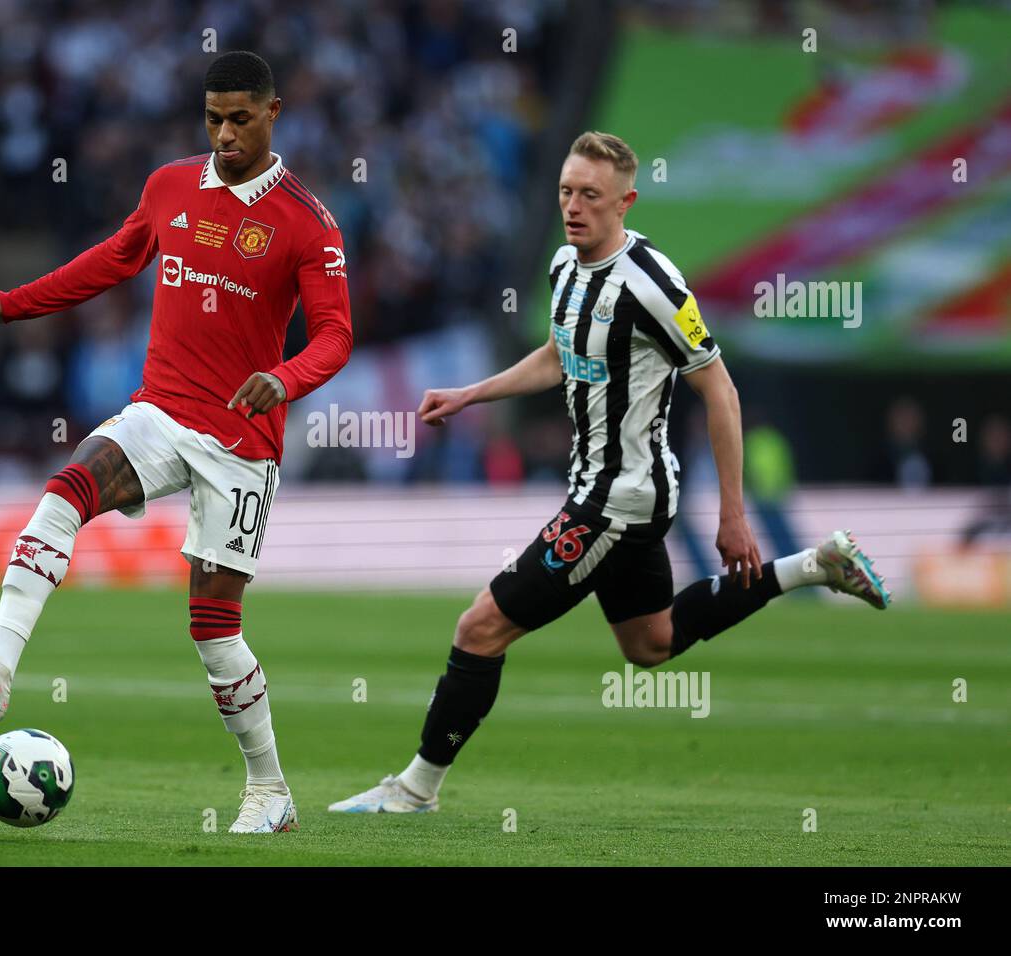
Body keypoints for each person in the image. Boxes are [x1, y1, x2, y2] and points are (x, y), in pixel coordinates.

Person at [329, 131, 889, 815]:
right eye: (566, 191)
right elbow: (559, 354)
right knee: (650, 645)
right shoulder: (566, 266)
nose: (573, 206)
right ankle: (815, 565)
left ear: (624, 201)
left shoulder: (654, 283)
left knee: (479, 629)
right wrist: (472, 393)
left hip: (618, 499)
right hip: (608, 491)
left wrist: (734, 514)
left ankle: (415, 789)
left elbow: (721, 390)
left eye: (590, 196)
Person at [0, 51, 352, 834]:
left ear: (274, 112)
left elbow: (335, 336)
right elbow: (111, 261)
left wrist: (285, 380)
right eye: (213, 117)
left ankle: (270, 790)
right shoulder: (170, 187)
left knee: (214, 629)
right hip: (160, 410)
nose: (224, 133)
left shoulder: (308, 223)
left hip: (241, 442)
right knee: (66, 489)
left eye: (240, 119)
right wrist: (8, 306)